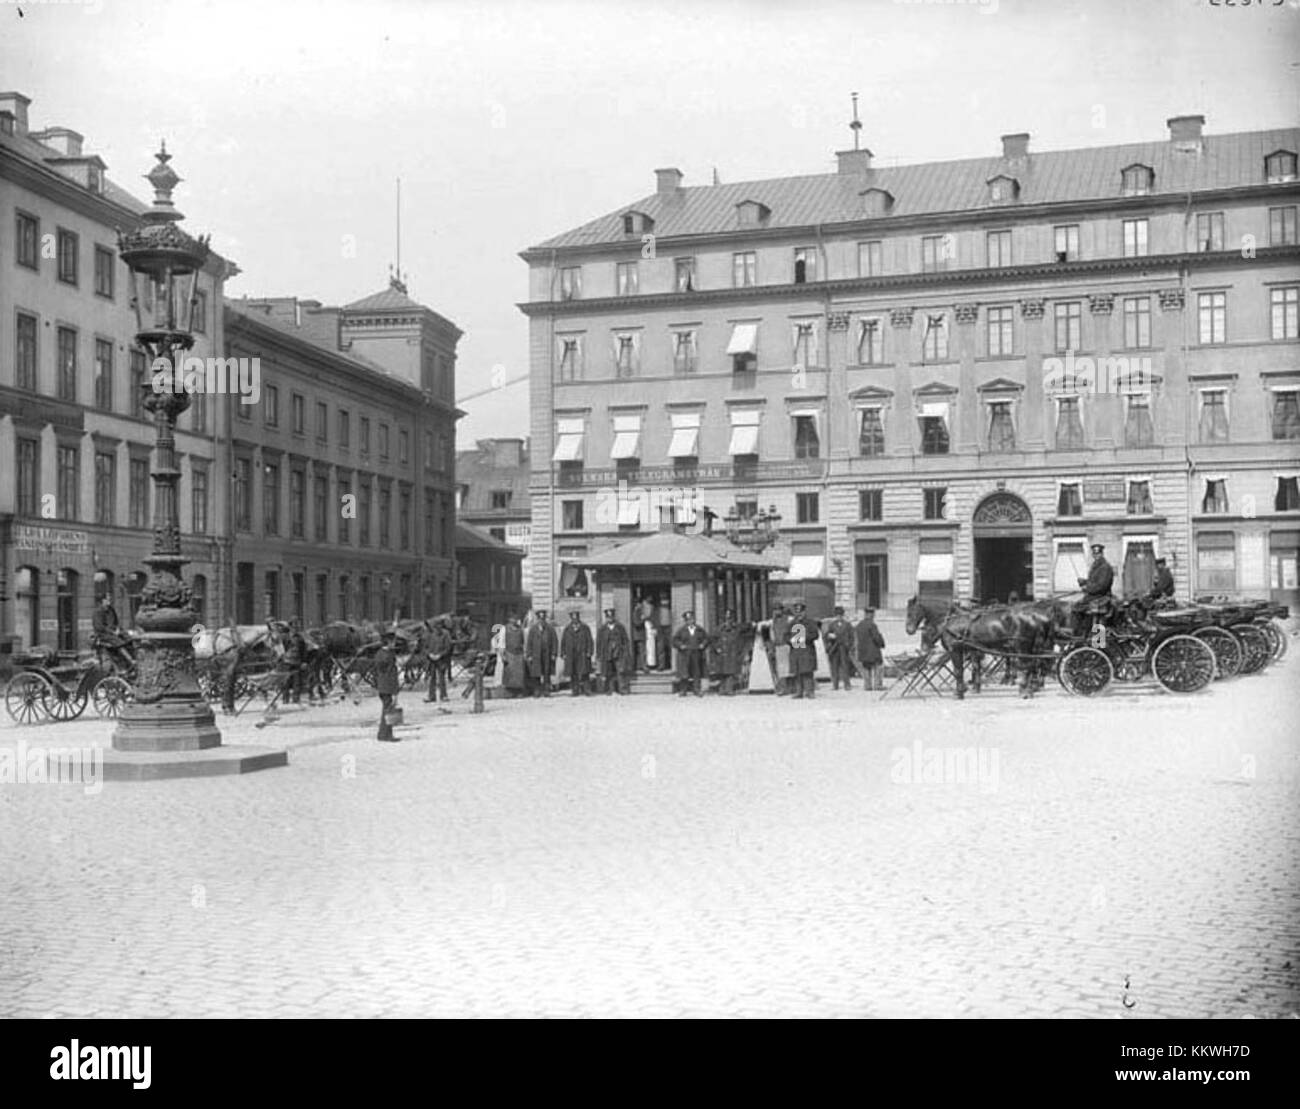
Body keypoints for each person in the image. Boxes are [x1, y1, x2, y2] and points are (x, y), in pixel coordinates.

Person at [1074, 542, 1115, 632]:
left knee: (1077, 608)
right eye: (1094, 554)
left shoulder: (1105, 567)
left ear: (1101, 554)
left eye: (1098, 553)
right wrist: (1084, 581)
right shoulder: (1095, 566)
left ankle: (1095, 637)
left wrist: (1087, 588)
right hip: (1094, 596)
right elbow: (1093, 581)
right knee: (1076, 607)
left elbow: (1102, 586)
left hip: (1102, 597)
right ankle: (1082, 632)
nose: (1096, 555)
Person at [787, 601, 820, 699]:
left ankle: (809, 691)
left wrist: (804, 637)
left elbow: (815, 634)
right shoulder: (792, 623)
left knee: (807, 671)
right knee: (797, 672)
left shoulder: (810, 622)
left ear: (804, 612)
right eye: (797, 612)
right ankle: (799, 691)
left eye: (801, 612)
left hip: (807, 650)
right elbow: (786, 636)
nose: (799, 614)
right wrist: (791, 640)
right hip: (796, 651)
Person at [595, 608, 631, 695]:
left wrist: (625, 651)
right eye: (608, 617)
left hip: (619, 653)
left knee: (621, 671)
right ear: (606, 618)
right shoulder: (602, 629)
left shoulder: (620, 627)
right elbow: (599, 642)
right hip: (607, 653)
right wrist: (599, 654)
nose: (610, 619)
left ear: (614, 617)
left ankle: (623, 689)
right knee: (608, 672)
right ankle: (609, 690)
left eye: (611, 617)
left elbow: (625, 640)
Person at [673, 611, 709, 696]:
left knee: (696, 672)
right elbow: (675, 640)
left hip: (696, 653)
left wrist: (703, 644)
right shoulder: (681, 630)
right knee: (684, 673)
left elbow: (706, 639)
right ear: (685, 621)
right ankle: (683, 690)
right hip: (685, 654)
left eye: (692, 619)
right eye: (688, 620)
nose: (690, 621)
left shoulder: (699, 629)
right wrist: (680, 645)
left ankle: (696, 689)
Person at [712, 609, 747, 696]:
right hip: (722, 652)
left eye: (730, 618)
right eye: (727, 619)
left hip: (732, 652)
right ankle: (722, 689)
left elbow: (746, 629)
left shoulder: (737, 628)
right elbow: (712, 639)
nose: (728, 621)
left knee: (731, 672)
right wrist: (716, 648)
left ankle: (729, 689)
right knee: (722, 672)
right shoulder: (719, 629)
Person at [374, 630, 401, 742]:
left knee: (386, 710)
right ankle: (387, 735)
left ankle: (382, 734)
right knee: (389, 711)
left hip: (382, 686)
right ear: (389, 642)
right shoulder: (389, 656)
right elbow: (392, 674)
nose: (394, 643)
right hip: (388, 686)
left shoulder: (380, 654)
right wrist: (395, 691)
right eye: (393, 641)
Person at [525, 609, 559, 697]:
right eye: (540, 619)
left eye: (543, 619)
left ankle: (546, 690)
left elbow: (555, 641)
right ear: (537, 619)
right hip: (536, 654)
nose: (541, 621)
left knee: (546, 673)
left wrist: (554, 653)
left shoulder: (550, 629)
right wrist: (529, 654)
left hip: (547, 654)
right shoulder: (533, 629)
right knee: (536, 673)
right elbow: (529, 643)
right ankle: (537, 691)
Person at [560, 609, 594, 696]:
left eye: (576, 618)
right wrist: (563, 653)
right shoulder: (567, 629)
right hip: (571, 654)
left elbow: (590, 640)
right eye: (573, 618)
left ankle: (587, 690)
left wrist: (589, 651)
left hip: (582, 653)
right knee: (573, 673)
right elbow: (563, 642)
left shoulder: (585, 628)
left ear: (579, 618)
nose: (575, 620)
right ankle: (575, 691)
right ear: (571, 619)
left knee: (585, 672)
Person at [823, 606, 855, 691]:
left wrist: (849, 645)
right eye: (837, 615)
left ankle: (847, 685)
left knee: (845, 666)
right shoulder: (832, 625)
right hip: (835, 647)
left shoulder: (847, 624)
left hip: (844, 647)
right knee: (834, 666)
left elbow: (852, 636)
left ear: (842, 615)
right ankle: (835, 684)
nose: (839, 617)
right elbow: (827, 635)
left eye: (840, 615)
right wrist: (830, 637)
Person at [423, 616, 453, 703]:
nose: (437, 628)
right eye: (436, 627)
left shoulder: (446, 634)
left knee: (442, 678)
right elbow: (425, 646)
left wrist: (440, 655)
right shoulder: (429, 634)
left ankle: (443, 695)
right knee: (432, 677)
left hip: (442, 659)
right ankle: (431, 696)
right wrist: (429, 654)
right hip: (431, 659)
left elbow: (448, 646)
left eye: (439, 626)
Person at [855, 608, 886, 692]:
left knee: (866, 668)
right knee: (878, 667)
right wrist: (882, 643)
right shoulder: (872, 625)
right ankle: (877, 685)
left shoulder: (859, 625)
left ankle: (867, 685)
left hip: (863, 651)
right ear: (871, 615)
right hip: (873, 650)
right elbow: (876, 637)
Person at [501, 615, 527, 697]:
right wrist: (502, 655)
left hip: (519, 654)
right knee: (509, 673)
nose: (515, 620)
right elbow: (502, 642)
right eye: (513, 619)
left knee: (519, 674)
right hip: (509, 653)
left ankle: (518, 692)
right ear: (509, 619)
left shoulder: (520, 629)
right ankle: (509, 692)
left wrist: (525, 653)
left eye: (516, 619)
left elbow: (524, 642)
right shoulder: (504, 629)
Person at [770, 603, 792, 696]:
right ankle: (783, 687)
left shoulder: (788, 619)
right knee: (780, 668)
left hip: (787, 645)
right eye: (775, 609)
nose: (776, 611)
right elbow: (772, 633)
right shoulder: (773, 621)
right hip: (778, 646)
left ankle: (791, 687)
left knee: (789, 667)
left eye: (778, 609)